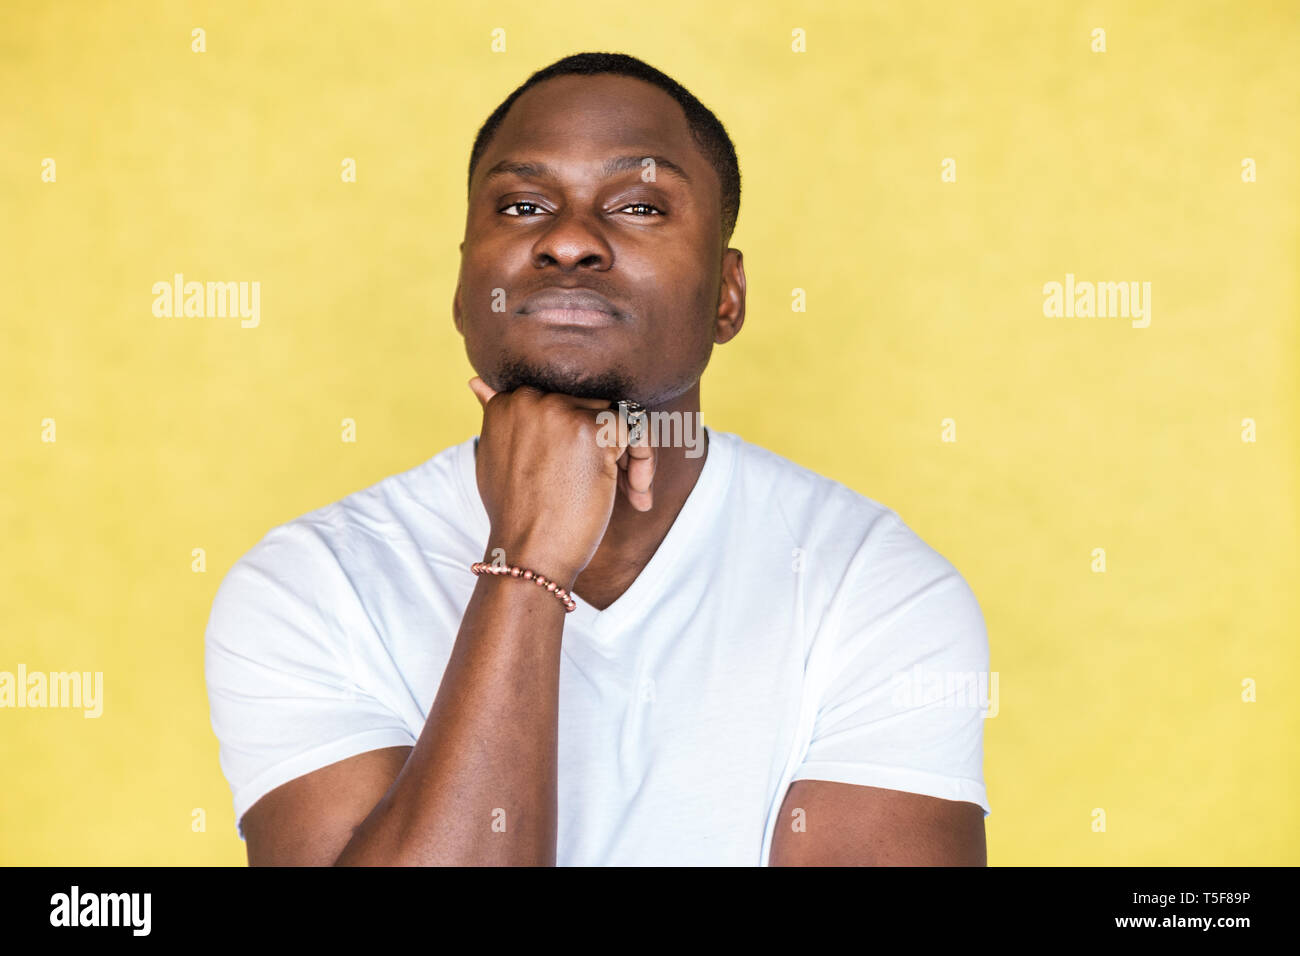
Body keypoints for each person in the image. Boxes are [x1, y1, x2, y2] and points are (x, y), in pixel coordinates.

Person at [204, 51, 992, 866]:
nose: (571, 240)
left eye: (641, 207)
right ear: (463, 289)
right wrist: (530, 562)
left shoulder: (873, 587)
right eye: (522, 204)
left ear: (727, 297)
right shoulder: (312, 585)